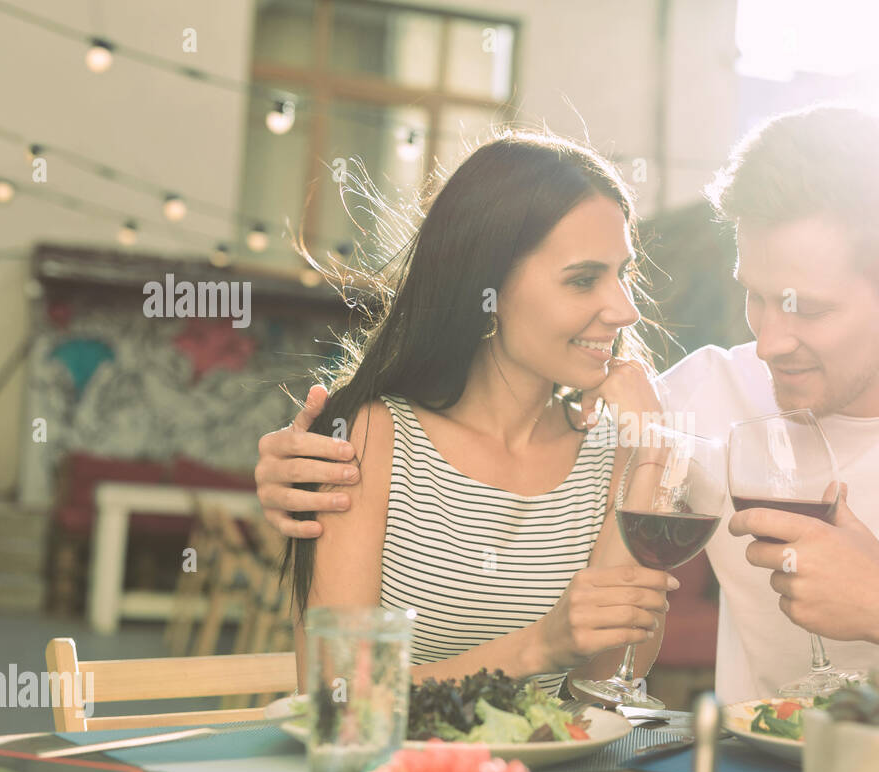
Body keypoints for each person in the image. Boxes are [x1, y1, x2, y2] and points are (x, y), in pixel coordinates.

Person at [258, 106, 879, 754]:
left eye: (804, 307)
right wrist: (297, 465)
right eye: (753, 294)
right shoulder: (698, 403)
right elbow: (536, 416)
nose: (768, 341)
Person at [277, 130, 680, 695]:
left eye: (625, 274)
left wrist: (652, 454)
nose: (625, 309)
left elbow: (603, 693)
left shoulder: (615, 454)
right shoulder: (372, 439)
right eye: (584, 280)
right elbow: (337, 694)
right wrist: (538, 646)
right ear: (485, 288)